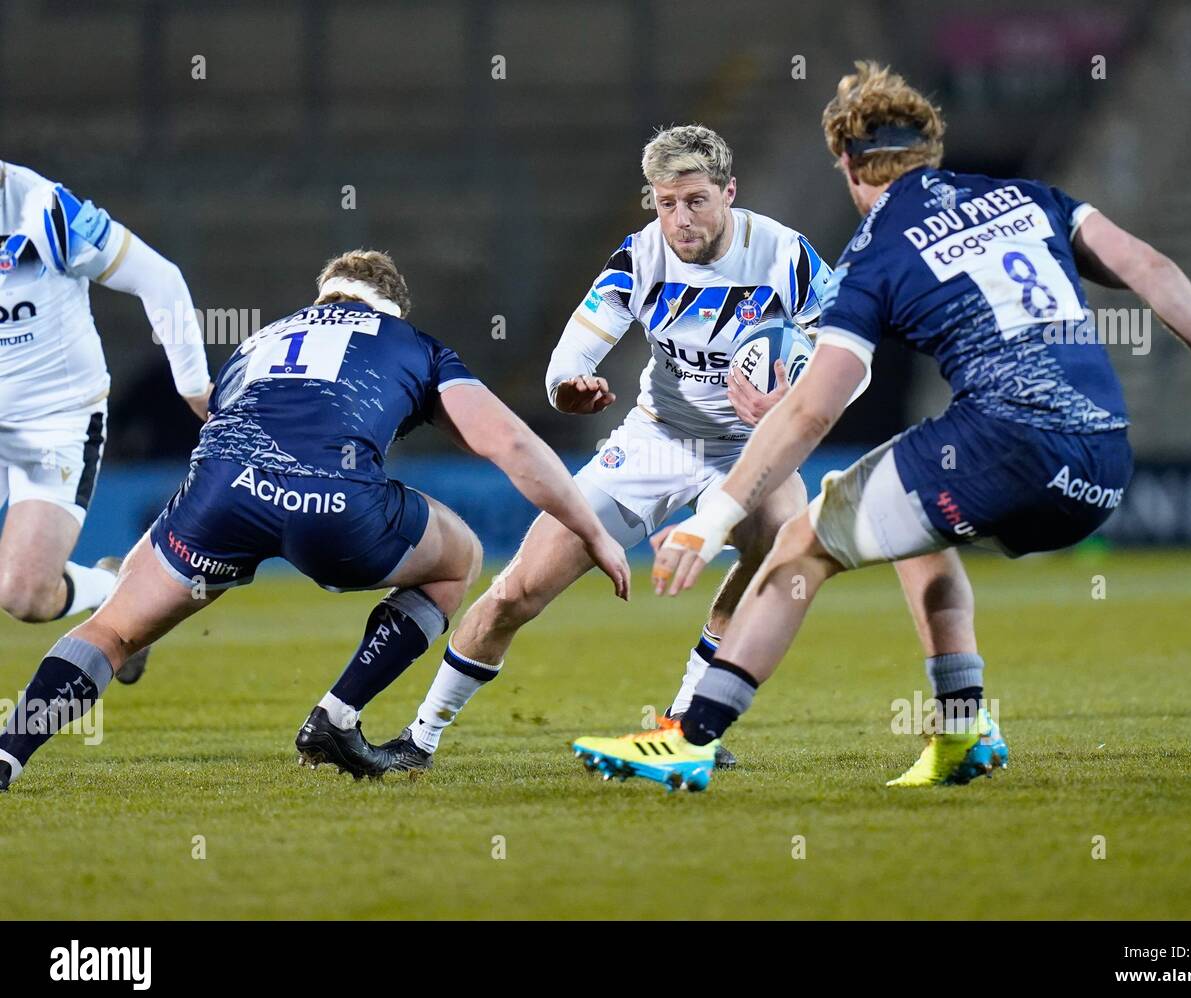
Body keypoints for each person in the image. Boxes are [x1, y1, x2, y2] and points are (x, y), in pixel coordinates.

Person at [571, 61, 1191, 792]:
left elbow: (813, 408)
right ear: (928, 149)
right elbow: (1151, 265)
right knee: (915, 529)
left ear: (848, 162)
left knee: (802, 547)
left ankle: (689, 738)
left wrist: (713, 518)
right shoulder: (1029, 198)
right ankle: (963, 730)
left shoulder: (875, 255)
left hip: (1004, 445)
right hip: (1103, 462)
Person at [0, 250, 629, 791]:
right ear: (392, 307)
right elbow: (510, 446)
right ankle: (338, 714)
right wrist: (593, 531)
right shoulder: (412, 345)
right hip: (334, 509)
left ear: (323, 295)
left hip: (222, 497)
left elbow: (222, 428)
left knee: (113, 630)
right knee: (458, 556)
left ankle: (9, 753)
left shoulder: (258, 340)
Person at [369, 125, 837, 774]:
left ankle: (687, 725)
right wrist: (569, 389)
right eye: (666, 203)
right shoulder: (640, 255)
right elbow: (571, 356)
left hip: (747, 447)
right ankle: (418, 741)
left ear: (730, 192)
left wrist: (792, 402)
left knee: (781, 549)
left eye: (696, 200)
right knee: (516, 593)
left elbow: (843, 361)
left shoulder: (789, 257)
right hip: (654, 441)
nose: (680, 219)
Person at [0, 161, 212, 684]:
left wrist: (194, 388)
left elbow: (160, 280)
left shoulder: (45, 211)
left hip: (54, 418)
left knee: (24, 596)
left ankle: (112, 588)